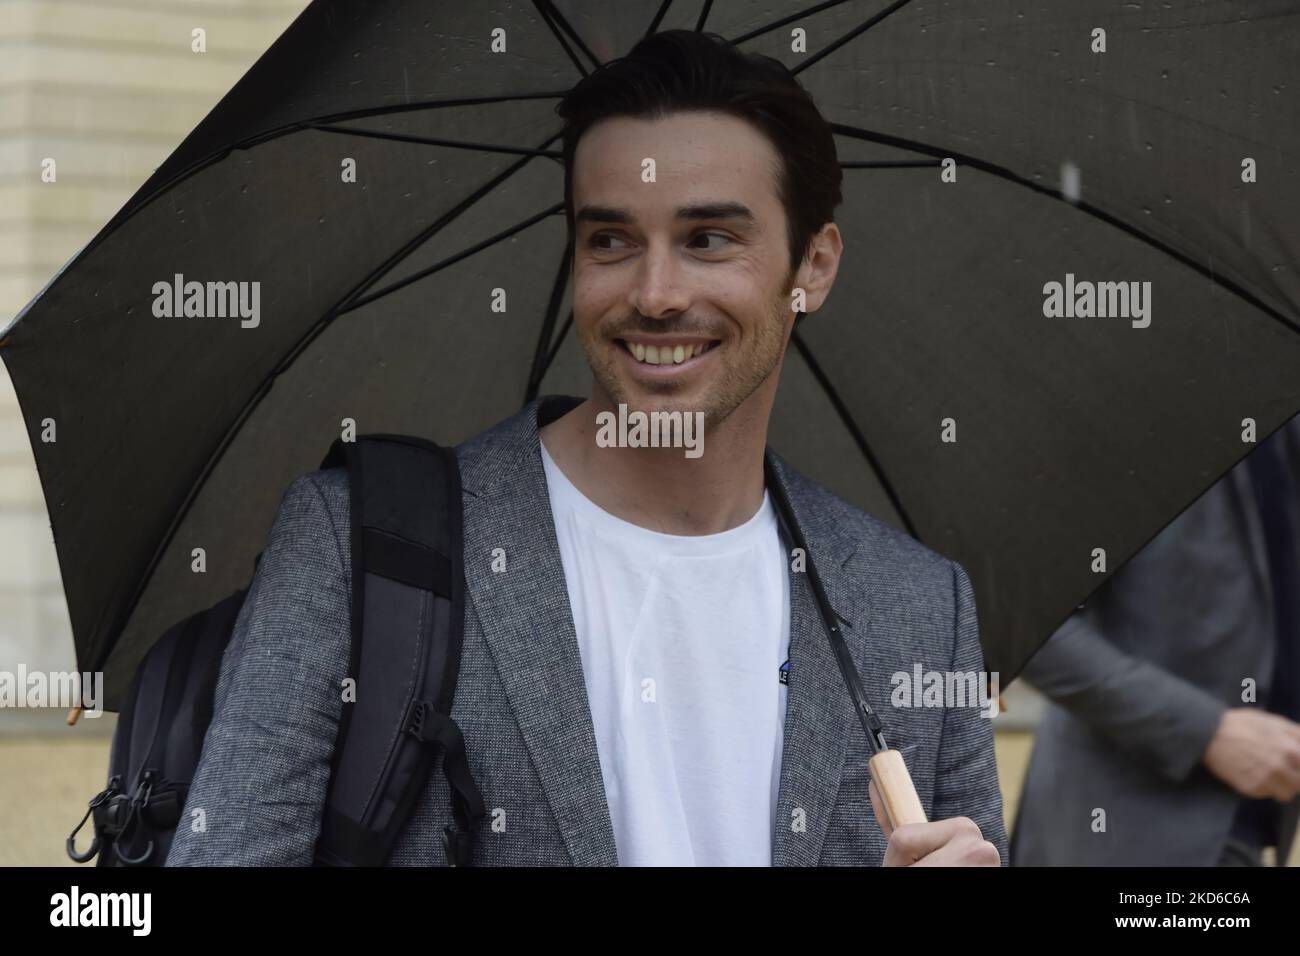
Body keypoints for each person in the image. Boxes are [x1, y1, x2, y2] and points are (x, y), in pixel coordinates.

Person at [167, 29, 1006, 867]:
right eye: (610, 240)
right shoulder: (356, 547)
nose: (654, 294)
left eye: (708, 239)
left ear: (812, 266)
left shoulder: (923, 609)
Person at [1012, 416, 1300, 866]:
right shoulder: (1119, 418)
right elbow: (1030, 625)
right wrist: (1207, 732)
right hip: (1122, 835)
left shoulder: (1277, 407)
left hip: (1248, 826)